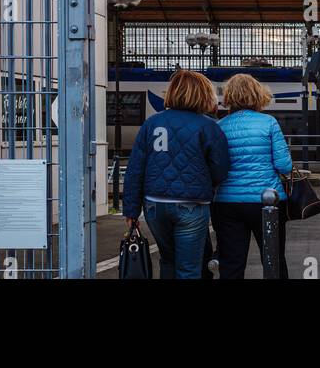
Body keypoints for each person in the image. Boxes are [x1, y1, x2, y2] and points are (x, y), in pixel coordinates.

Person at [123, 69, 229, 279]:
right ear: (203, 94)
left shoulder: (151, 124)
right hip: (191, 205)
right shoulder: (209, 127)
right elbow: (220, 170)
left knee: (167, 261)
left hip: (154, 206)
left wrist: (131, 211)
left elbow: (135, 170)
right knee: (189, 269)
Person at [212, 73, 295, 279]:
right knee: (274, 259)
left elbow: (215, 167)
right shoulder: (268, 123)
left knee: (231, 263)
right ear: (258, 94)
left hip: (227, 203)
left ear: (229, 96)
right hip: (267, 202)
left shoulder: (219, 126)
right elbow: (284, 165)